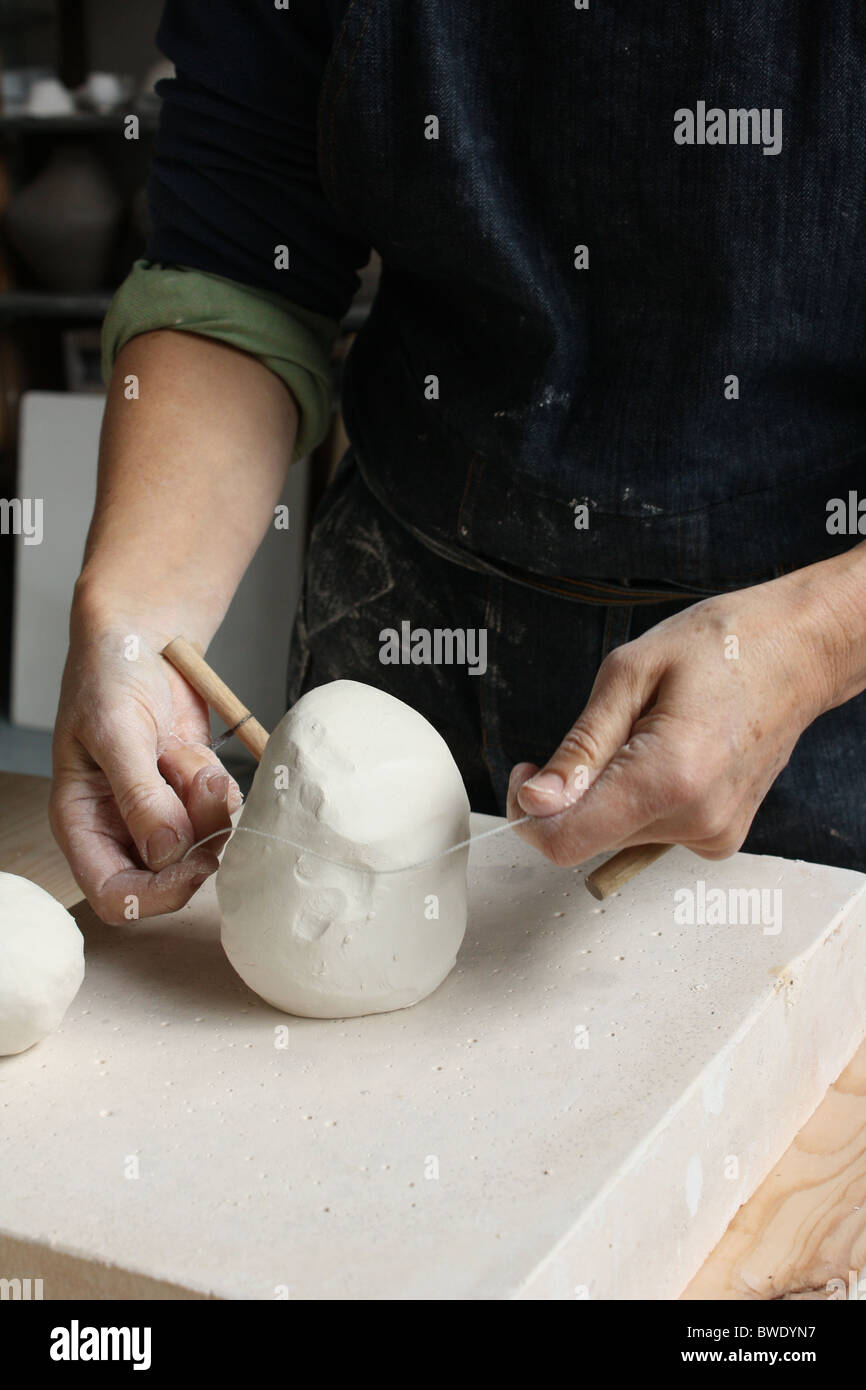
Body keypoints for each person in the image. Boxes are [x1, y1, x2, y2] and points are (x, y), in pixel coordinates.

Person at [50, 1, 866, 923]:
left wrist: (817, 642)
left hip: (821, 670)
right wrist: (134, 612)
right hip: (409, 606)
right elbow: (241, 256)